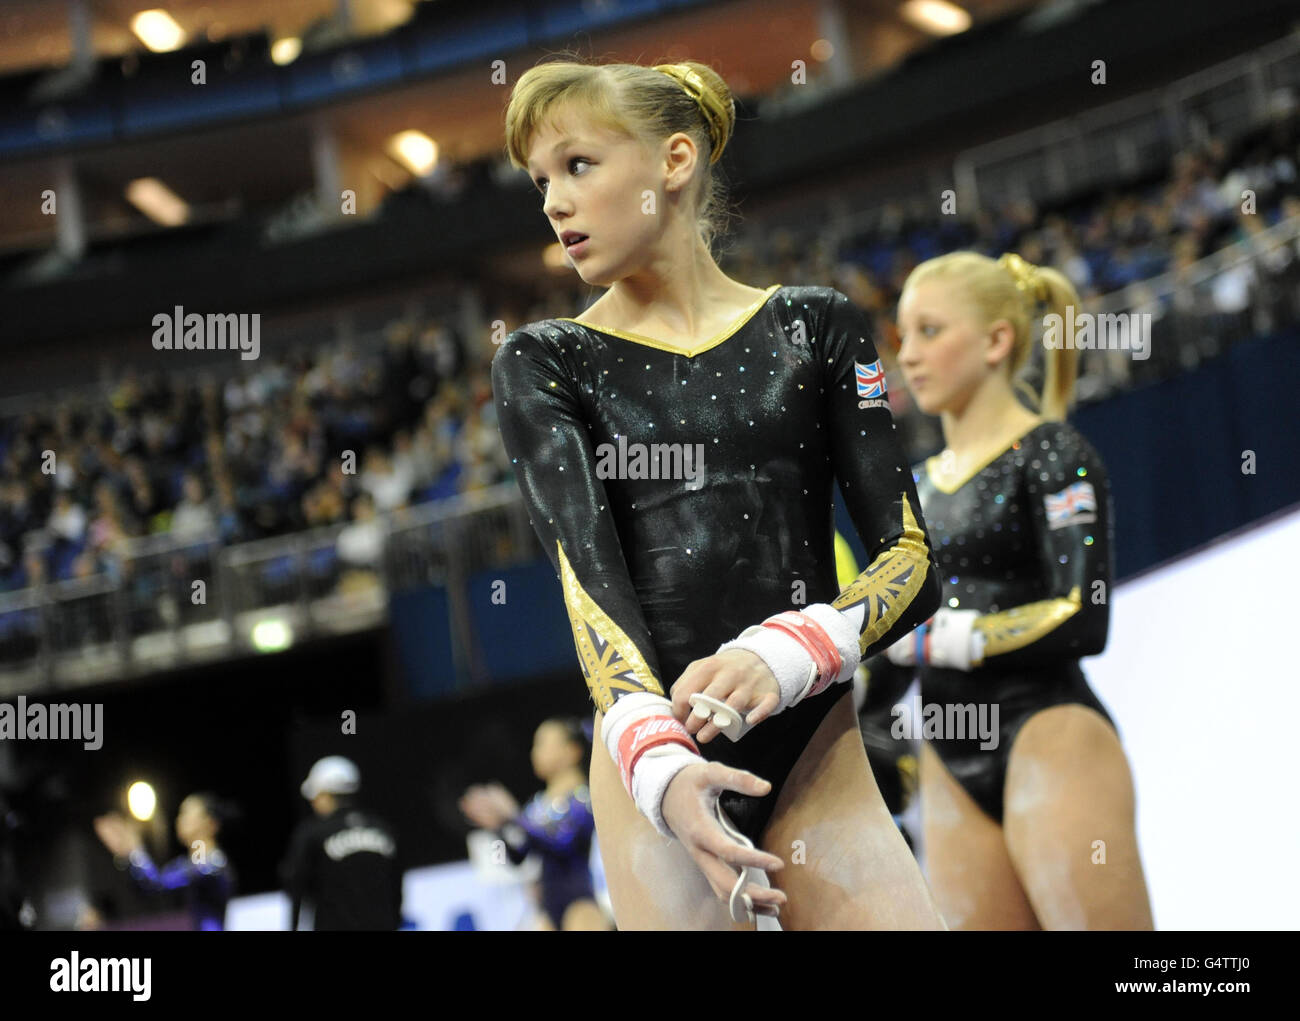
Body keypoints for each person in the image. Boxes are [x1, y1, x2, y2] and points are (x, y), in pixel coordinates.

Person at [493, 57, 945, 929]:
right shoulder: (545, 360)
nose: (552, 202)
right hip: (659, 763)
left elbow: (914, 559)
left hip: (819, 750)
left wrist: (791, 650)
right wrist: (656, 760)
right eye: (539, 180)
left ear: (674, 161)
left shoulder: (814, 326)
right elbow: (586, 576)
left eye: (578, 165)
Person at [881, 250, 1154, 929]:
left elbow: (1084, 618)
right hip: (946, 749)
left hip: (1046, 728)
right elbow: (893, 646)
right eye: (902, 335)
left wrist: (951, 636)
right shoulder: (912, 486)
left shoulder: (1052, 455)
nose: (907, 355)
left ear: (997, 341)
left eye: (930, 331)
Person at [459, 717, 609, 930]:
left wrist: (512, 816)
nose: (534, 752)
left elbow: (561, 841)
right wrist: (498, 829)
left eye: (543, 744)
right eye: (534, 745)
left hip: (581, 905)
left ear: (572, 751)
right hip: (546, 911)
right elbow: (514, 858)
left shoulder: (583, 798)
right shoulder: (536, 806)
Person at [280, 756, 402, 931]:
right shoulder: (383, 829)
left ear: (326, 795)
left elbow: (295, 886)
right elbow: (397, 888)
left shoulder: (312, 833)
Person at [93, 792, 237, 931]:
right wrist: (131, 853)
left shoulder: (213, 865)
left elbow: (158, 884)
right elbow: (151, 886)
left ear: (210, 823)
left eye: (186, 813)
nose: (179, 819)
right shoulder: (188, 864)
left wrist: (135, 851)